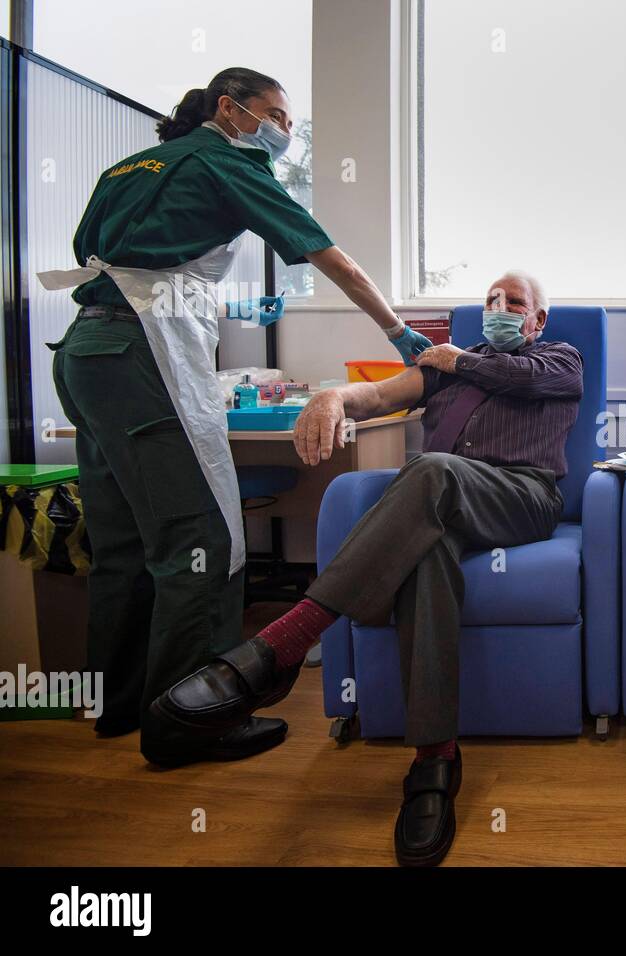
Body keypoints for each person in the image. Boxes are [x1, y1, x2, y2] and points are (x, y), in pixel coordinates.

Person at [41, 68, 433, 768]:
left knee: (124, 541)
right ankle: (191, 722)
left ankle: (120, 706)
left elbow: (93, 253)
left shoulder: (128, 166)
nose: (283, 131)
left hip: (83, 353)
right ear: (230, 108)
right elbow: (328, 257)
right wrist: (398, 332)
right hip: (143, 350)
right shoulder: (229, 159)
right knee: (204, 538)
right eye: (275, 115)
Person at [149, 271, 581, 866]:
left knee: (430, 469)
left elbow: (527, 378)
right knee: (426, 555)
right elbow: (376, 397)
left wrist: (457, 362)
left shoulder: (558, 357)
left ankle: (286, 641)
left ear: (537, 319)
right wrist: (332, 397)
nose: (498, 308)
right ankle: (435, 758)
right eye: (490, 300)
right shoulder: (441, 366)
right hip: (441, 510)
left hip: (521, 498)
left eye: (514, 302)